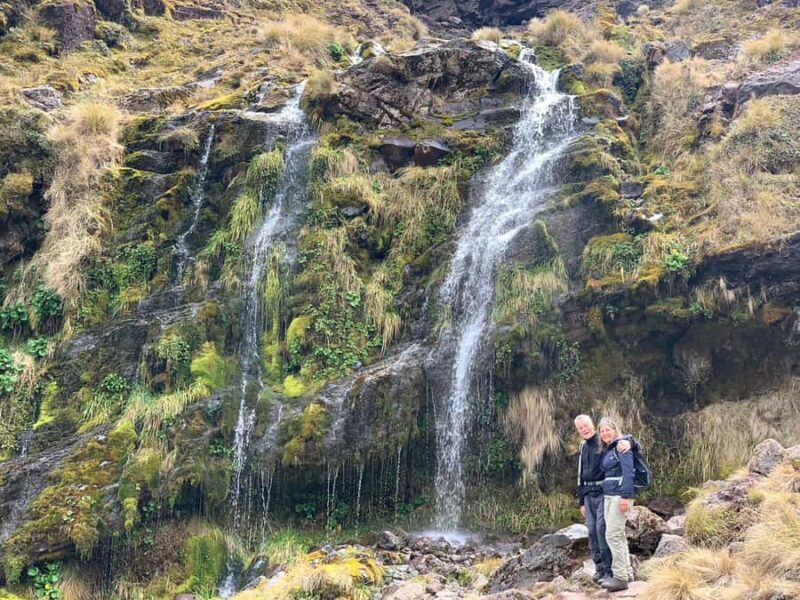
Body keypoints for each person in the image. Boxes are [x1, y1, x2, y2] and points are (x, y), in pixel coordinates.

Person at [574, 415, 630, 586]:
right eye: (581, 428)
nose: (584, 429)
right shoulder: (583, 447)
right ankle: (599, 569)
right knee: (591, 531)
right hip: (588, 495)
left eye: (586, 425)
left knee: (601, 529)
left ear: (592, 425)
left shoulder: (603, 441)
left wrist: (630, 442)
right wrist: (581, 501)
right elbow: (579, 475)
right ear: (578, 431)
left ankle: (609, 570)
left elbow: (621, 440)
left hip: (603, 492)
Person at [598, 417, 636, 592]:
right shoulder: (609, 449)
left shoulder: (622, 446)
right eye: (602, 431)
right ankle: (627, 572)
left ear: (615, 430)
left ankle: (620, 578)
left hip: (619, 496)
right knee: (618, 534)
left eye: (608, 430)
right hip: (609, 495)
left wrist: (625, 497)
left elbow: (629, 472)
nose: (605, 433)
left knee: (612, 535)